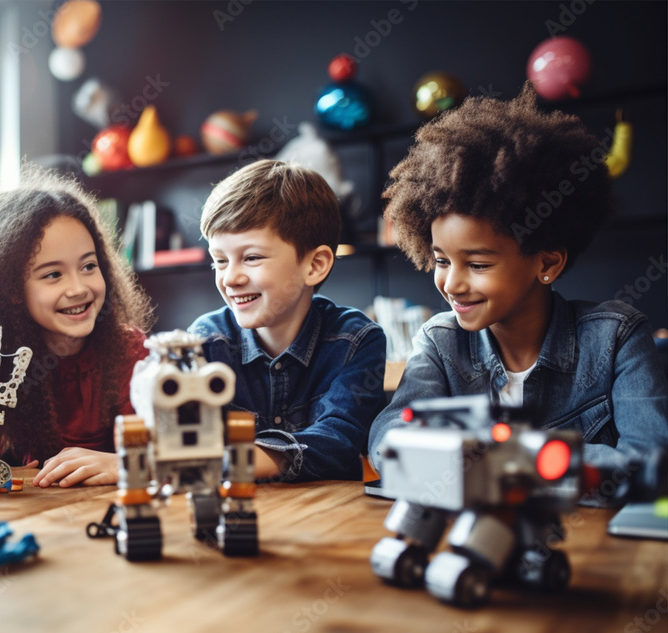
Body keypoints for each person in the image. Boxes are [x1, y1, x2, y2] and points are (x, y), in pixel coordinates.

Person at [369, 82, 668, 486]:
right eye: (441, 260)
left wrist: (501, 456)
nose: (452, 284)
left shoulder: (615, 338)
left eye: (476, 264)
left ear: (547, 262)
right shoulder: (441, 343)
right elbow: (389, 444)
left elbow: (649, 465)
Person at [0, 167, 152, 488]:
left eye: (89, 266)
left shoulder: (131, 353)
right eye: (53, 275)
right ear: (9, 288)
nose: (78, 288)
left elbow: (167, 449)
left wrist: (125, 463)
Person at [187, 159, 387, 482]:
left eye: (251, 258)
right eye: (220, 261)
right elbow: (185, 439)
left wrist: (214, 463)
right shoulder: (206, 340)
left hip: (326, 521)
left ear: (315, 265)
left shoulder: (357, 340)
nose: (230, 278)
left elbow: (338, 441)